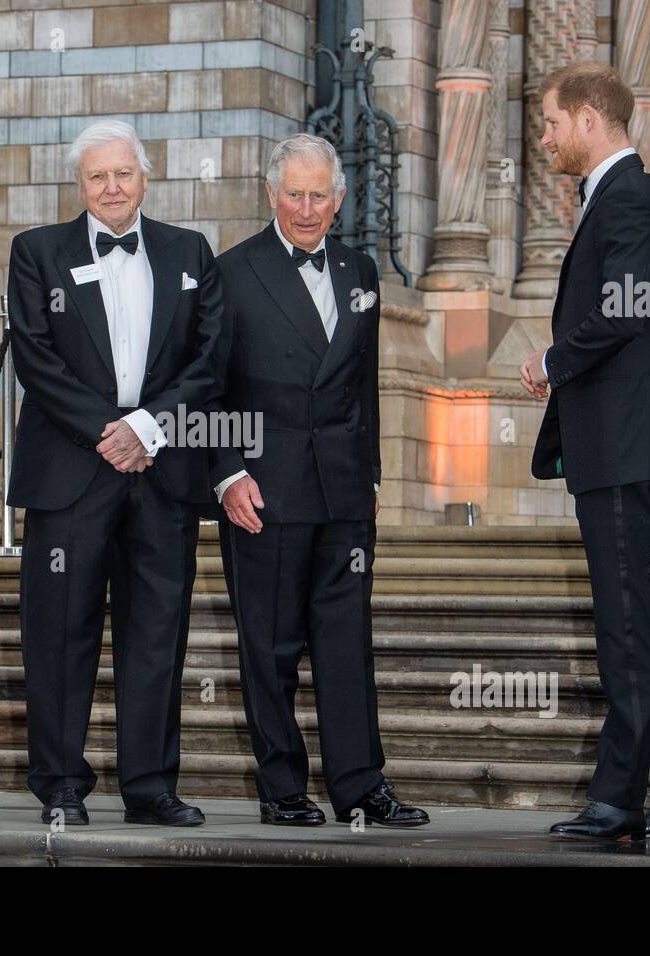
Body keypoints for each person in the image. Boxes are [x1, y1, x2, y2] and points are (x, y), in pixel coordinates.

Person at [519, 62, 650, 841]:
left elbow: (622, 316)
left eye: (550, 123)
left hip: (620, 449)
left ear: (588, 119)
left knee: (626, 627)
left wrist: (550, 359)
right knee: (648, 620)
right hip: (613, 448)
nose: (544, 139)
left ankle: (618, 798)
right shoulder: (617, 199)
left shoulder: (630, 200)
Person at [6, 120, 226, 827]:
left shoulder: (189, 251)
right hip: (73, 467)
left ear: (144, 178)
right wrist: (112, 429)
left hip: (162, 474)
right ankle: (62, 784)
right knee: (60, 630)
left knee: (157, 632)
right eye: (97, 176)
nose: (111, 187)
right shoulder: (37, 252)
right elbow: (35, 356)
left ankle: (151, 787)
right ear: (80, 185)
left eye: (122, 174)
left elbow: (212, 356)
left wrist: (149, 426)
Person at [209, 133, 429, 828]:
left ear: (339, 199)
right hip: (264, 491)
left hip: (342, 493)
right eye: (294, 194)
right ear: (271, 194)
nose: (307, 209)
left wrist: (369, 474)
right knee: (268, 647)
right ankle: (281, 791)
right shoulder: (231, 272)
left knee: (346, 644)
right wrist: (227, 474)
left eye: (319, 196)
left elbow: (362, 385)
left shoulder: (361, 270)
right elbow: (204, 384)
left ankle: (362, 787)